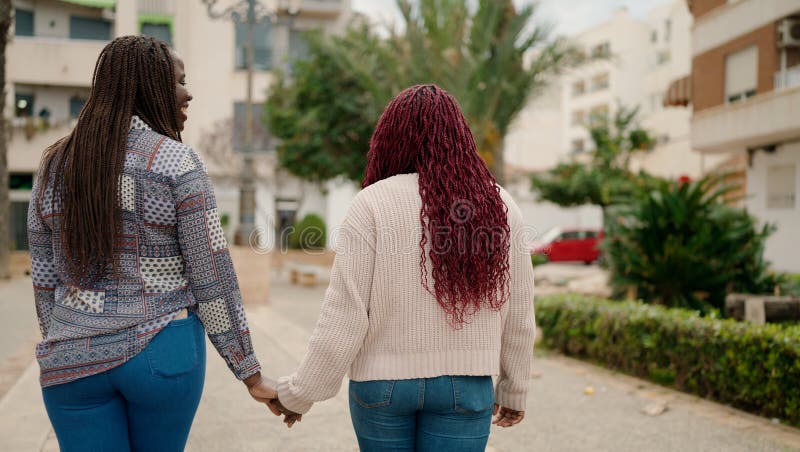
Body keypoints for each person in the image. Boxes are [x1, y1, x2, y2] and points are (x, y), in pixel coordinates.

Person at [27, 36, 276, 452]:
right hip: (162, 352)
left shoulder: (54, 166)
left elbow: (44, 280)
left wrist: (68, 339)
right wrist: (249, 371)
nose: (188, 92)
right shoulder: (176, 161)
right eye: (179, 82)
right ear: (150, 87)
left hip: (72, 363)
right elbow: (211, 278)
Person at [269, 84, 536, 451]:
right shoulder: (499, 204)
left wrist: (299, 395)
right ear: (461, 137)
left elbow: (344, 314)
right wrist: (514, 388)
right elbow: (519, 310)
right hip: (467, 385)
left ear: (390, 139)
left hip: (382, 385)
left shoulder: (371, 204)